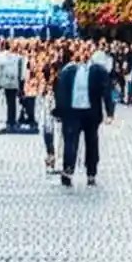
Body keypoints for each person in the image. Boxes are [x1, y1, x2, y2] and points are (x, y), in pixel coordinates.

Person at [52, 48, 116, 187]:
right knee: (80, 142)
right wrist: (60, 111)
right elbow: (61, 92)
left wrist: (110, 112)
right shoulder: (72, 72)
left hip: (82, 113)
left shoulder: (77, 71)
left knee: (82, 142)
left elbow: (106, 92)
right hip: (80, 113)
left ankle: (81, 171)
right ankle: (79, 171)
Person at [0, 40, 26, 132]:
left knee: (9, 102)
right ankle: (11, 120)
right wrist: (21, 80)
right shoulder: (18, 56)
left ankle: (10, 120)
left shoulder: (1, 56)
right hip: (14, 81)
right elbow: (21, 69)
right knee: (12, 102)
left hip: (5, 81)